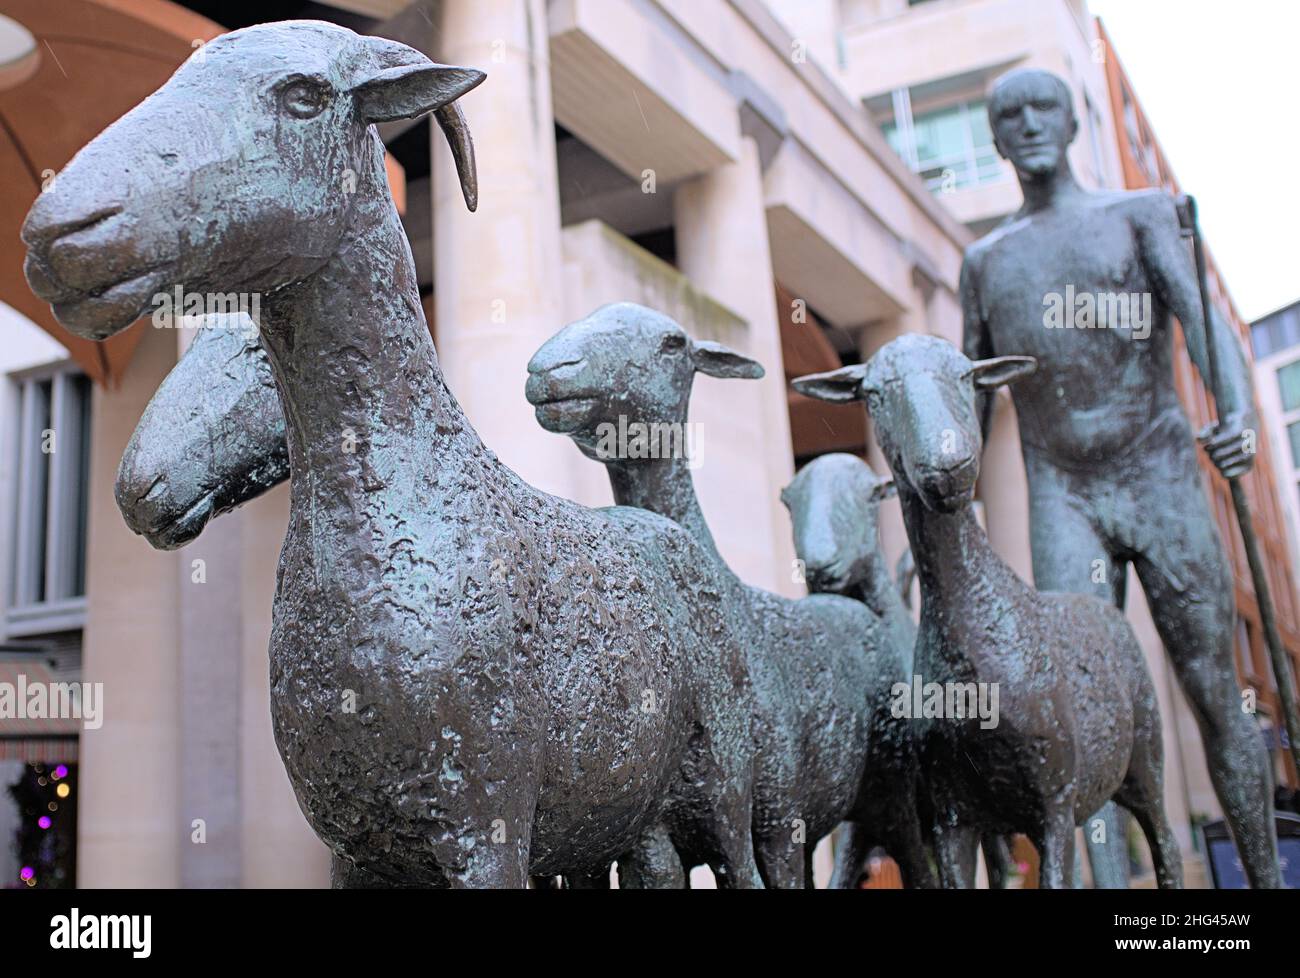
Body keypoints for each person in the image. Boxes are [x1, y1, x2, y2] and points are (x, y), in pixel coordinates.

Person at [960, 67, 1281, 887]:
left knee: (1212, 686)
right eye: (1009, 116)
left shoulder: (1136, 217)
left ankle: (1264, 882)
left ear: (1071, 125)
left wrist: (1237, 416)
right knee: (1079, 710)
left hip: (1159, 468)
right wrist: (944, 500)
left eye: (1043, 110)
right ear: (995, 139)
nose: (1028, 125)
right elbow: (973, 397)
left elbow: (1203, 334)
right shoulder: (986, 261)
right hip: (1063, 490)